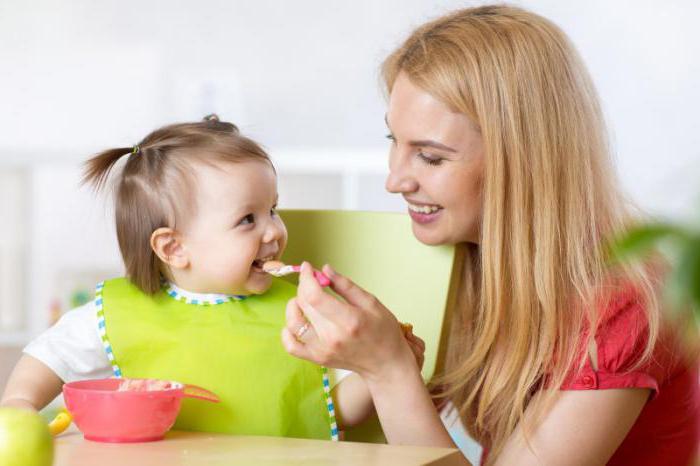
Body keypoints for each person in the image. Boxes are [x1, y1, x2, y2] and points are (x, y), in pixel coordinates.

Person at [281, 5, 699, 465]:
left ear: (522, 161)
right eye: (393, 143)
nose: (395, 180)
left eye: (431, 157)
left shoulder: (623, 301)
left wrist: (388, 370)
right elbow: (380, 440)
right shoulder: (465, 259)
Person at [0, 115, 425, 440]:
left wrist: (382, 370)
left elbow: (333, 410)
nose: (275, 230)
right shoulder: (116, 314)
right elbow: (49, 355)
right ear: (174, 248)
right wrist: (19, 402)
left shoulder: (302, 314)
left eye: (272, 209)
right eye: (248, 219)